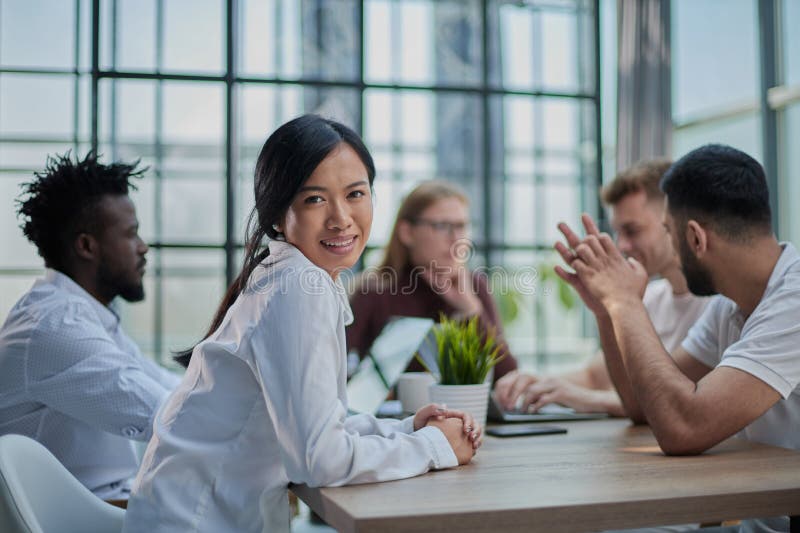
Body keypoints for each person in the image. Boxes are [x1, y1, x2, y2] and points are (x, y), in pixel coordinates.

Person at [123, 116, 481, 533]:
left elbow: (323, 423)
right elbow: (320, 460)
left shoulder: (292, 276)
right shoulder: (298, 287)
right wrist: (434, 447)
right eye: (315, 199)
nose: (341, 218)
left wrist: (405, 428)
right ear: (277, 215)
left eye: (356, 194)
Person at [556, 144, 798, 532]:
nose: (668, 243)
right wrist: (607, 311)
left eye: (668, 231)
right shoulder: (730, 303)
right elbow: (642, 406)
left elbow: (683, 428)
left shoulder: (795, 301)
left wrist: (625, 303)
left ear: (696, 238)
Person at [0, 152, 180, 501]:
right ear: (86, 246)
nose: (143, 248)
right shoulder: (54, 326)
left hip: (100, 507)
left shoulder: (85, 316)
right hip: (75, 517)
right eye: (131, 234)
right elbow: (166, 413)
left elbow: (169, 386)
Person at [494, 160, 709, 416]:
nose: (623, 245)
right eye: (618, 232)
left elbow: (667, 397)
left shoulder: (717, 305)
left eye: (632, 230)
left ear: (670, 220)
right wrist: (535, 383)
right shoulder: (650, 297)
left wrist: (582, 398)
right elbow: (594, 376)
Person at [347, 180, 518, 382]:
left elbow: (507, 378)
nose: (456, 238)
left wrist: (472, 310)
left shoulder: (474, 286)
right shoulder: (375, 290)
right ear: (407, 232)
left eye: (461, 226)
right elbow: (336, 373)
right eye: (442, 226)